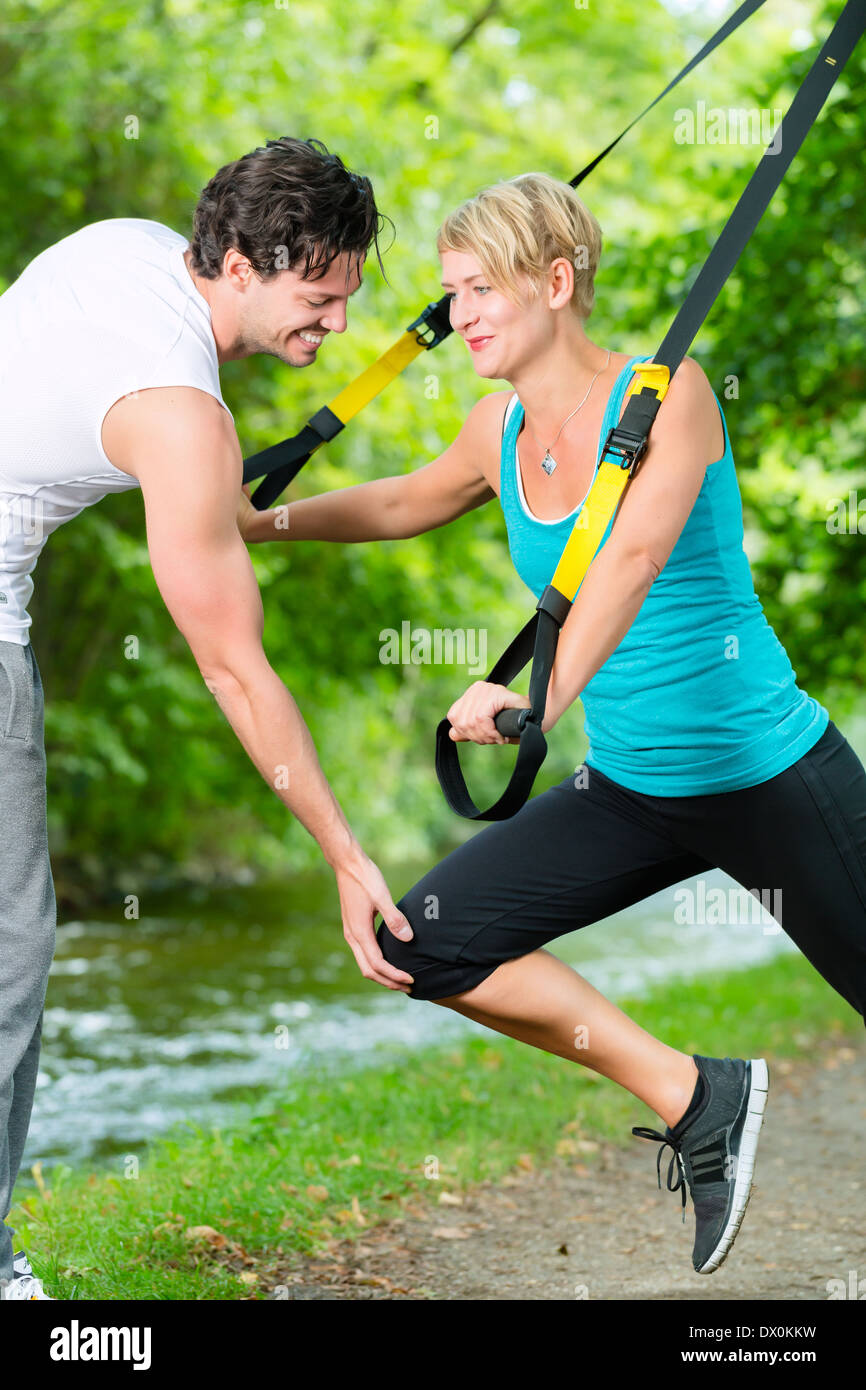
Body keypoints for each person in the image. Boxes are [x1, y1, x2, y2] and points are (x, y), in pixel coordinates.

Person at [237, 171, 866, 1276]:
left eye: (481, 287)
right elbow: (398, 501)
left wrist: (537, 702)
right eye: (450, 291)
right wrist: (256, 520)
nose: (461, 312)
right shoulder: (498, 427)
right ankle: (695, 1094)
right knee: (417, 938)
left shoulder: (669, 395)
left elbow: (623, 562)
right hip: (632, 790)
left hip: (767, 769)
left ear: (556, 280)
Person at [0, 135, 418, 1302]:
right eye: (318, 298)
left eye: (346, 301)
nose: (333, 324)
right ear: (240, 262)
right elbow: (234, 668)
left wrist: (254, 508)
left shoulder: (129, 251)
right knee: (10, 949)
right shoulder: (183, 412)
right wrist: (344, 853)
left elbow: (204, 497)